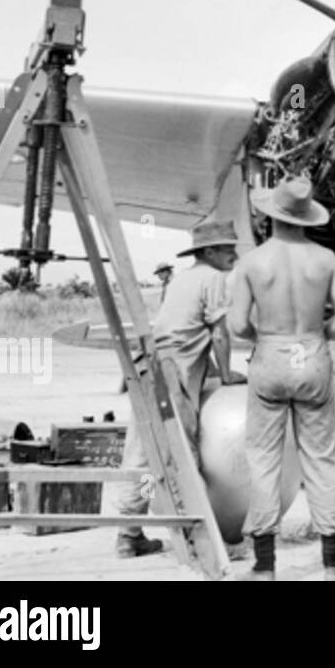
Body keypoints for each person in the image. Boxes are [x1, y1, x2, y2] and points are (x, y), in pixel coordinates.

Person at [227, 177, 335, 580]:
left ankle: (265, 567)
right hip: (313, 355)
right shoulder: (325, 260)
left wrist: (264, 339)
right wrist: (319, 337)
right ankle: (332, 564)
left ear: (271, 217)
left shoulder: (252, 262)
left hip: (270, 355)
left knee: (264, 460)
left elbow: (236, 325)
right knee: (320, 458)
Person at [114, 220, 241, 558]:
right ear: (210, 251)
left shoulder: (183, 279)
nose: (235, 253)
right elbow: (219, 334)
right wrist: (227, 377)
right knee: (183, 458)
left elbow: (183, 332)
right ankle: (198, 540)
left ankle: (128, 535)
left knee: (142, 456)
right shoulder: (214, 279)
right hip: (172, 378)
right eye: (229, 247)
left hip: (149, 370)